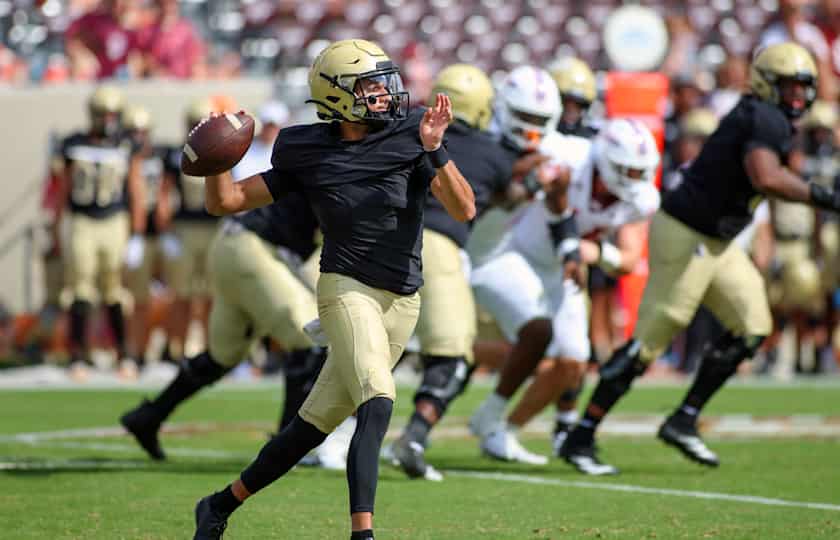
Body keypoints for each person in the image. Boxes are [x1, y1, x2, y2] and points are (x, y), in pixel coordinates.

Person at [191, 39, 475, 540]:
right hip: (347, 288)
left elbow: (463, 209)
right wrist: (214, 164)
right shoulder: (307, 148)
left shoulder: (415, 134)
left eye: (383, 81)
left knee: (309, 426)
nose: (384, 93)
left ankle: (218, 505)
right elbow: (229, 200)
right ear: (338, 95)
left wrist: (435, 150)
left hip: (403, 298)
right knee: (379, 397)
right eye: (369, 85)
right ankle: (362, 533)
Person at [560, 42, 840, 475]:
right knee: (650, 342)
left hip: (716, 241)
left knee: (753, 328)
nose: (799, 97)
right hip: (685, 234)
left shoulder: (767, 116)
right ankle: (581, 436)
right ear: (767, 84)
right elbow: (767, 177)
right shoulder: (763, 116)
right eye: (790, 87)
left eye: (804, 88)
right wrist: (824, 196)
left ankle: (684, 418)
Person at [470, 118, 660, 463]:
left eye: (640, 172)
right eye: (628, 171)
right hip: (516, 254)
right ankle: (462, 362)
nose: (636, 181)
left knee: (573, 362)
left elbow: (629, 260)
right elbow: (517, 152)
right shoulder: (569, 154)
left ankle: (501, 428)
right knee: (536, 338)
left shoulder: (641, 200)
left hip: (564, 269)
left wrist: (593, 252)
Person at [120, 193, 327, 461]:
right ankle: (288, 446)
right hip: (254, 248)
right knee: (309, 339)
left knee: (223, 355)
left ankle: (149, 416)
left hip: (235, 244)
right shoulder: (342, 169)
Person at [384, 64, 516, 481]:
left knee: (366, 351)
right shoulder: (494, 154)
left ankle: (321, 437)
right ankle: (415, 437)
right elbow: (507, 196)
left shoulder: (405, 130)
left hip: (381, 242)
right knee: (454, 357)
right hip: (437, 247)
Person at [467, 65, 579, 464]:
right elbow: (490, 199)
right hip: (443, 249)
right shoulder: (479, 140)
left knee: (538, 330)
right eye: (525, 117)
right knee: (406, 346)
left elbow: (558, 206)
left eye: (539, 120)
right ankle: (339, 435)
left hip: (491, 255)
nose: (531, 128)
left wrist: (570, 249)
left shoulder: (547, 155)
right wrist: (533, 179)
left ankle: (492, 418)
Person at [55, 85, 145, 380]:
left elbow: (135, 189)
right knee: (80, 286)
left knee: (114, 288)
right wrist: (57, 225)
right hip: (82, 219)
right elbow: (63, 189)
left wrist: (137, 234)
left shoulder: (124, 145)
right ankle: (77, 356)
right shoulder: (73, 143)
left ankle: (123, 353)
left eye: (112, 115)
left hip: (114, 220)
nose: (108, 121)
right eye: (103, 114)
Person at [159, 98, 224, 359]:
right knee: (182, 294)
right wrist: (166, 232)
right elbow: (164, 194)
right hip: (184, 228)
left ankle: (211, 351)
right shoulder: (176, 153)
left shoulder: (221, 149)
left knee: (211, 295)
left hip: (213, 227)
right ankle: (177, 349)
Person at [121, 104, 167, 377]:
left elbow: (162, 195)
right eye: (134, 132)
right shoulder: (122, 157)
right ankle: (129, 352)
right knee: (132, 299)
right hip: (125, 233)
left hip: (155, 235)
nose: (138, 137)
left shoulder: (159, 156)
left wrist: (166, 230)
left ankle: (149, 351)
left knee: (155, 299)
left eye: (142, 132)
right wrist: (133, 235)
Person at [231, 101, 290, 180]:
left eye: (274, 126)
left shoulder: (288, 155)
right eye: (267, 125)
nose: (270, 130)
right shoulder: (243, 150)